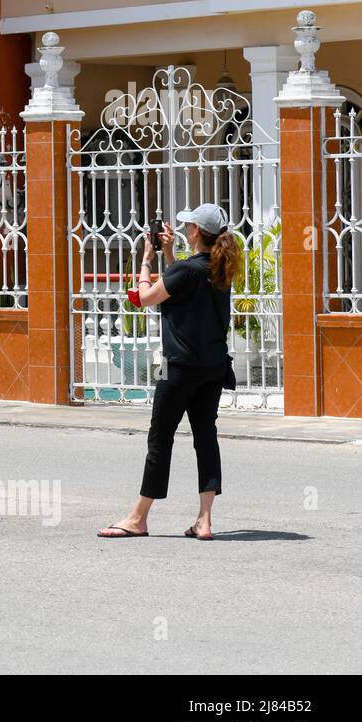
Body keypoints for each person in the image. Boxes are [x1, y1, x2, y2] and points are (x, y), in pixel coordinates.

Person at [99, 203, 238, 541]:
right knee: (205, 436)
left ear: (194, 232)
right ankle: (204, 521)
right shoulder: (217, 270)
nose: (186, 227)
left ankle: (138, 517)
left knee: (160, 438)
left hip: (178, 369)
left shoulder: (187, 271)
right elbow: (183, 287)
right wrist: (170, 253)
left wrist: (148, 258)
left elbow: (145, 297)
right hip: (213, 368)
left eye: (188, 224)